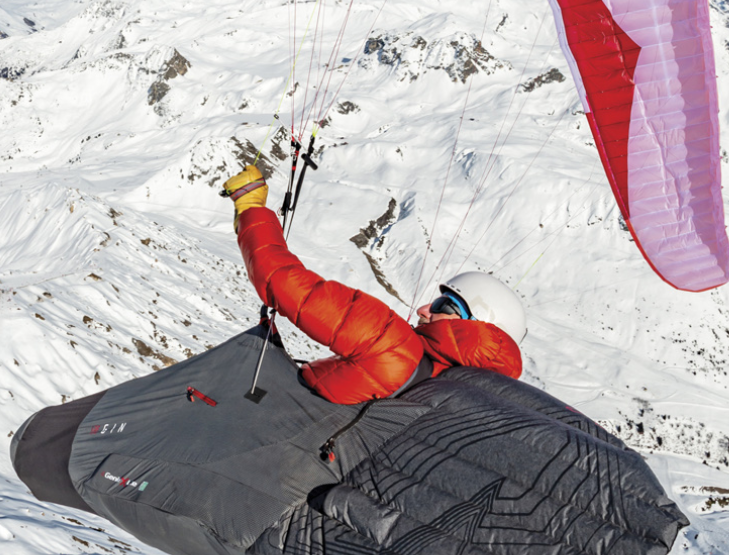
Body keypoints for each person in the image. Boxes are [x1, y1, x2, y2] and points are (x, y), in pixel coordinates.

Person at [223, 162, 525, 404]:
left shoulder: (392, 345)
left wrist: (250, 207)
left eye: (443, 306)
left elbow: (282, 282)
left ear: (473, 327)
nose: (423, 309)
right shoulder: (458, 399)